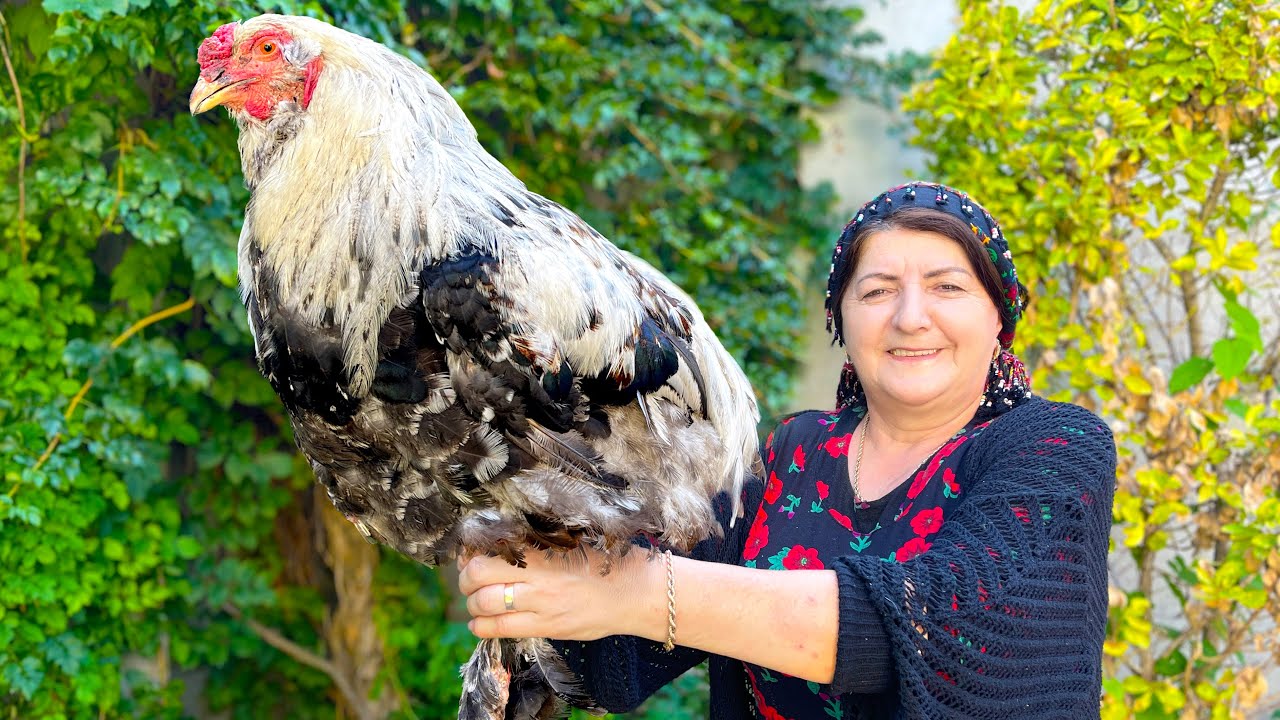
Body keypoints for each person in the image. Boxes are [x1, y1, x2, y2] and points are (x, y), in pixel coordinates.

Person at [458, 182, 1117, 719]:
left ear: (998, 316)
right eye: (877, 290)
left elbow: (944, 621)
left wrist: (638, 590)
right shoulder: (795, 452)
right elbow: (625, 648)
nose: (910, 316)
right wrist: (535, 555)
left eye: (948, 287)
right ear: (842, 320)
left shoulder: (1055, 448)